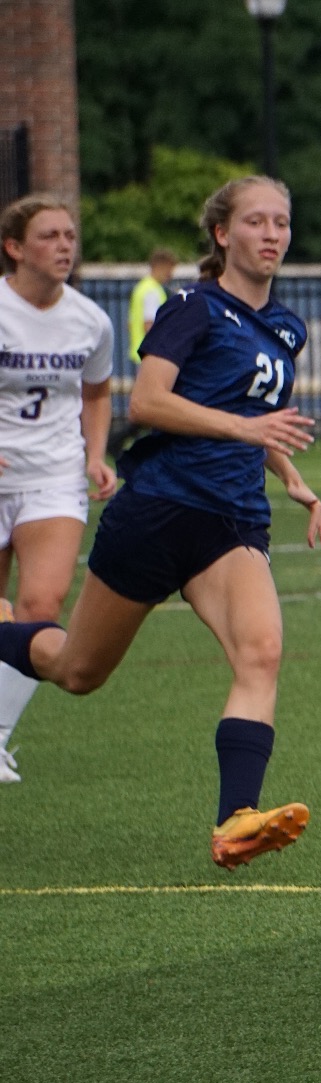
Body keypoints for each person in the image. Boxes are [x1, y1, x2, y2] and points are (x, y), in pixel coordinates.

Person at [0, 177, 321, 865]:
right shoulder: (192, 306)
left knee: (261, 651)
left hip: (234, 520)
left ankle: (235, 818)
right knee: (77, 669)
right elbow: (149, 402)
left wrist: (293, 477)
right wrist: (247, 428)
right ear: (221, 234)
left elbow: (252, 418)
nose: (272, 234)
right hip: (159, 509)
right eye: (256, 221)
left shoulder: (286, 328)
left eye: (282, 222)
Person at [0, 196, 116, 783]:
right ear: (15, 247)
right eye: (49, 235)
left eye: (71, 234)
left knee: (40, 606)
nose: (65, 245)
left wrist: (96, 456)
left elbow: (96, 393)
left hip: (52, 475)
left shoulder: (90, 320)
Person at [128, 248, 177, 365]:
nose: (170, 275)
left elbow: (129, 324)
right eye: (169, 270)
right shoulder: (152, 291)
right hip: (152, 354)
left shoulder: (141, 287)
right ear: (160, 267)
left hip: (141, 351)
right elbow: (149, 325)